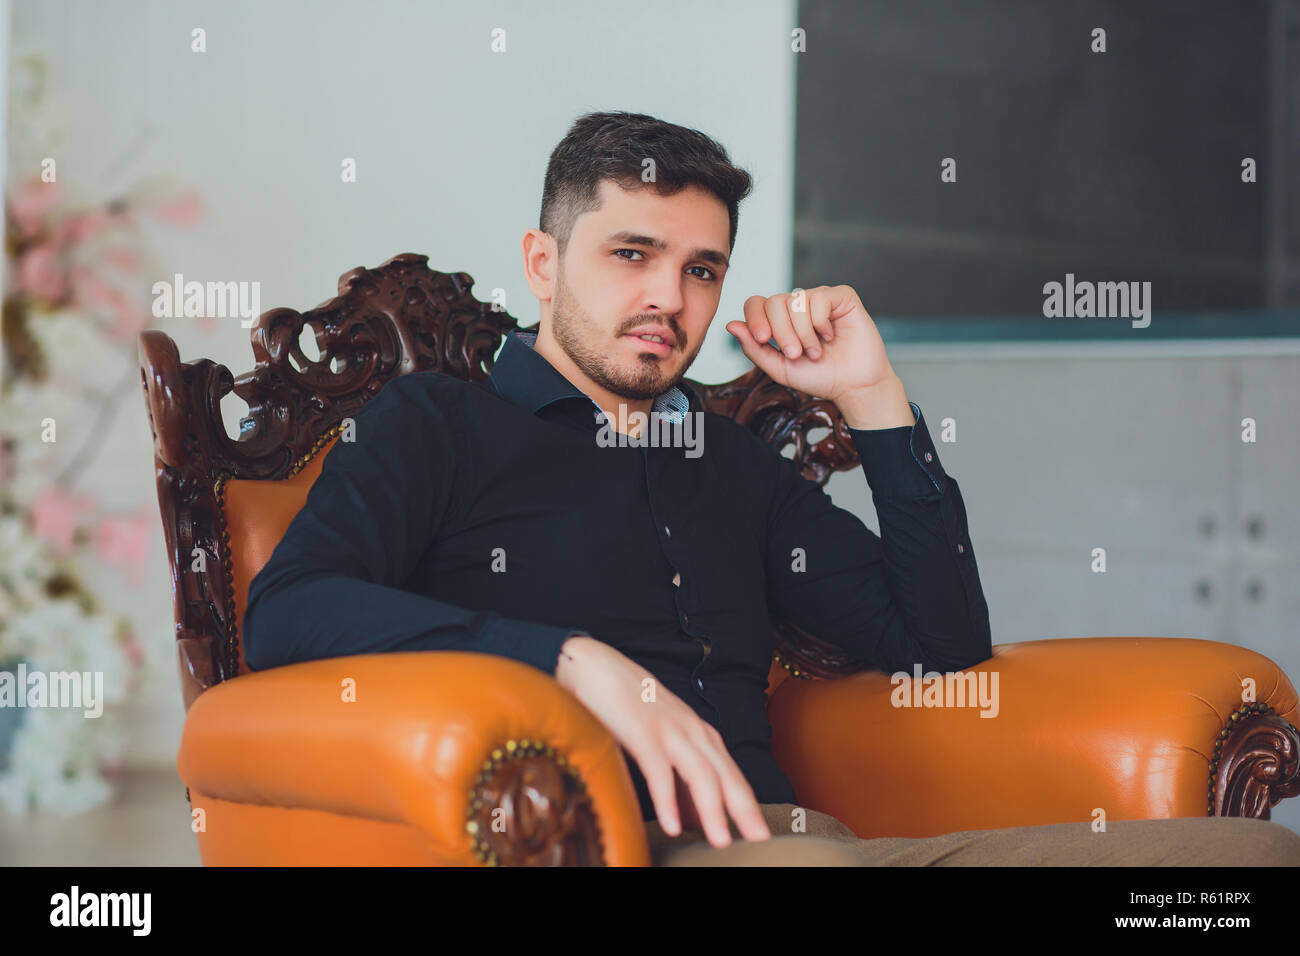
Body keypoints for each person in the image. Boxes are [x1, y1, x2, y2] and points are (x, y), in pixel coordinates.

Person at [243, 110, 1300, 866]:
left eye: (702, 268)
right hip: (618, 843)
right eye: (631, 253)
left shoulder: (725, 456)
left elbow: (937, 642)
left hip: (816, 843)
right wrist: (570, 660)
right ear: (543, 260)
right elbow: (288, 612)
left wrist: (873, 395)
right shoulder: (440, 423)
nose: (669, 297)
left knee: (1238, 864)